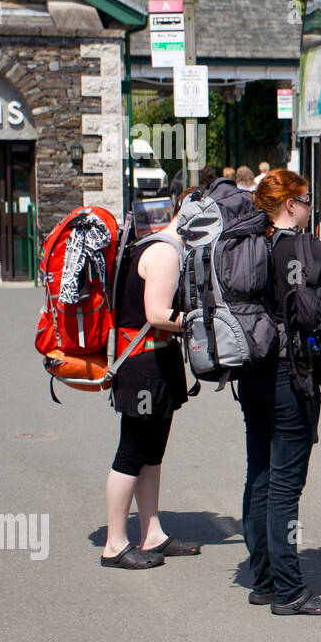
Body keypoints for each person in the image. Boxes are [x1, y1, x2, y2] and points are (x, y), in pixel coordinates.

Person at [238, 169, 321, 615]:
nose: (310, 206)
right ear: (290, 203)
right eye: (307, 199)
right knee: (285, 485)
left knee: (259, 475)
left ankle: (265, 581)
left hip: (249, 368)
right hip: (289, 373)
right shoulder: (302, 245)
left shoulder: (248, 243)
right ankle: (291, 591)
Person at [100, 212, 200, 569]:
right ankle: (114, 544)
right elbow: (157, 314)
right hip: (144, 365)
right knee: (132, 452)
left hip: (155, 361)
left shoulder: (157, 245)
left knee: (152, 453)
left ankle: (151, 533)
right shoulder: (165, 253)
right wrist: (200, 322)